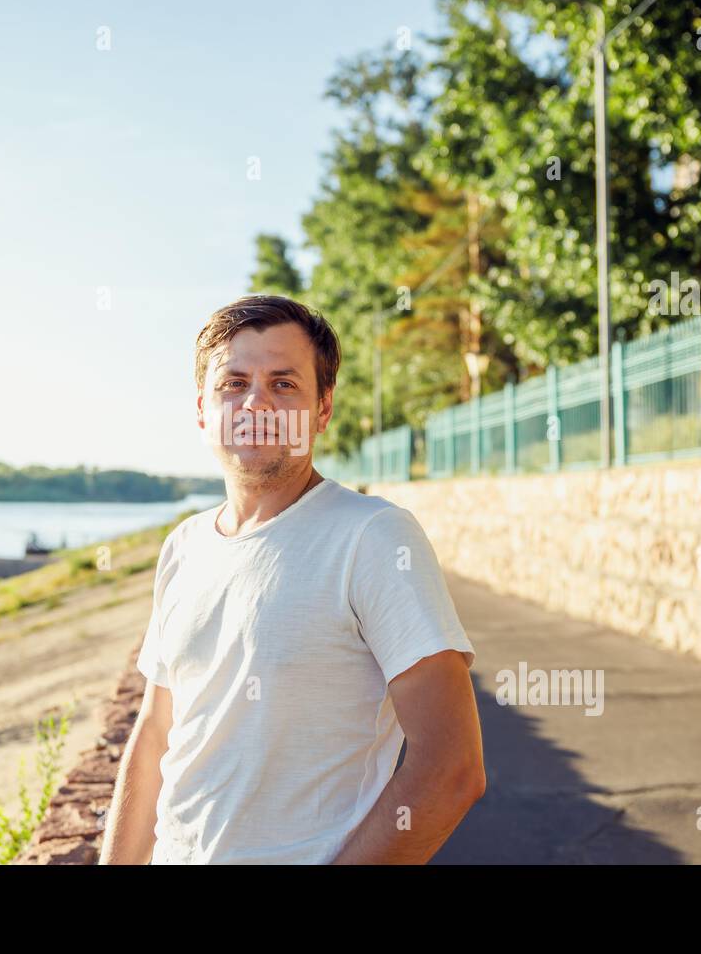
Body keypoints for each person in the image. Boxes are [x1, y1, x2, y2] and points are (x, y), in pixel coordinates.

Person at [98, 295, 486, 864]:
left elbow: (451, 768)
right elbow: (157, 731)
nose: (256, 402)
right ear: (203, 410)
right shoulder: (183, 547)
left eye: (284, 384)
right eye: (234, 382)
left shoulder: (373, 538)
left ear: (322, 410)